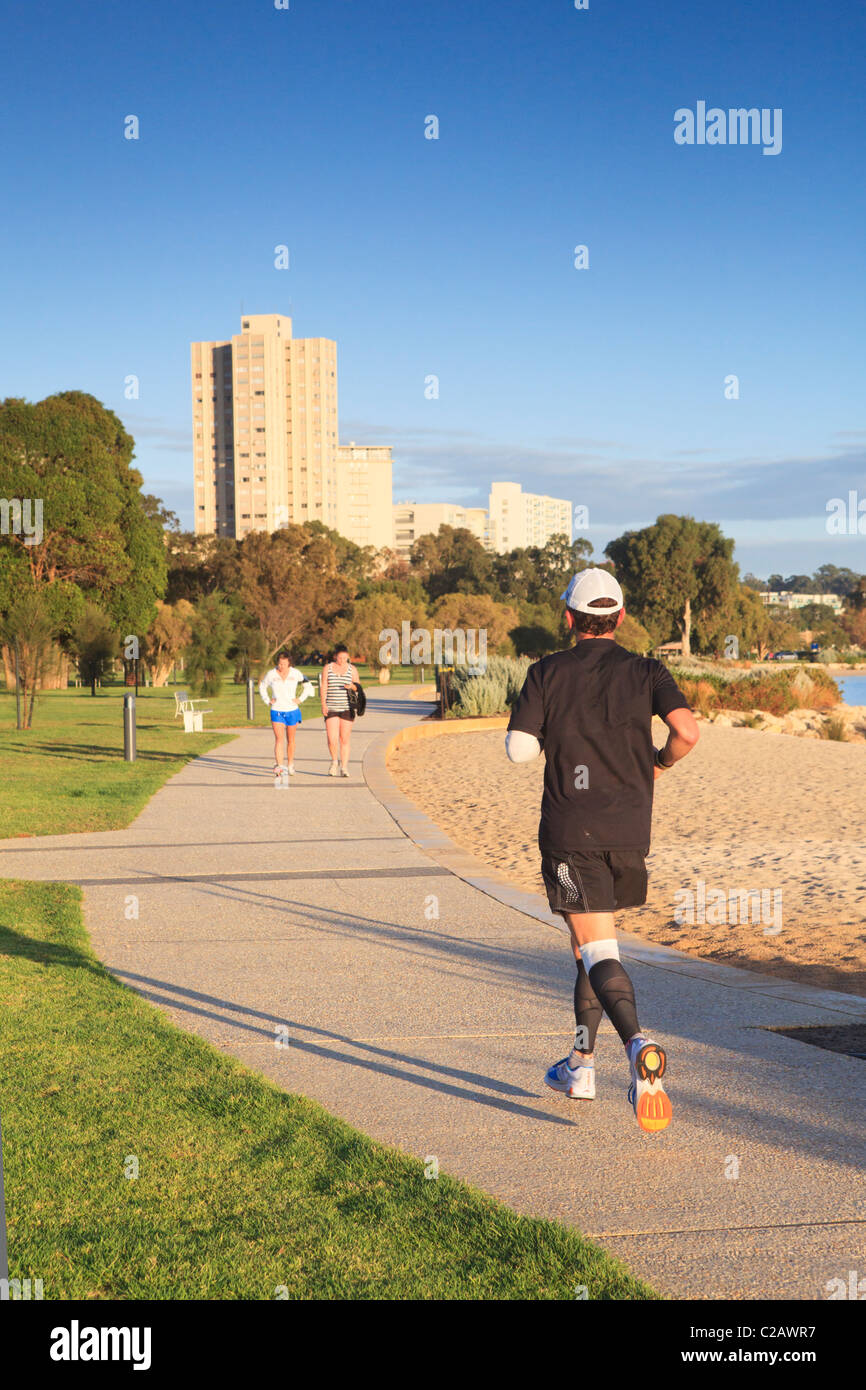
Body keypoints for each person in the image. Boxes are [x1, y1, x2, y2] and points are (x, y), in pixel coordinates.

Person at [505, 568, 699, 1133]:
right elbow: (687, 732)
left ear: (569, 617)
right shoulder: (648, 669)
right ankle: (581, 1067)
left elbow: (519, 752)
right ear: (618, 619)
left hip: (572, 830)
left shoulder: (547, 672)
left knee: (594, 947)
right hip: (630, 830)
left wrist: (543, 732)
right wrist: (659, 762)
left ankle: (638, 1048)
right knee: (590, 947)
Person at [259, 651, 314, 789]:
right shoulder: (271, 674)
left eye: (284, 663)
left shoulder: (296, 673)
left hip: (292, 710)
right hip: (277, 709)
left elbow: (307, 686)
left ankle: (290, 764)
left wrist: (300, 699)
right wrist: (267, 700)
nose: (281, 666)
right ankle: (279, 766)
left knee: (291, 739)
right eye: (279, 663)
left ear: (289, 663)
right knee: (279, 739)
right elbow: (262, 686)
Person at [319, 644, 361, 778]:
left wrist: (352, 686)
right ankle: (334, 762)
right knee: (332, 739)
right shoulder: (328, 668)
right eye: (340, 657)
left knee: (344, 739)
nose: (342, 660)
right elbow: (324, 685)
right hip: (331, 707)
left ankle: (344, 767)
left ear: (347, 657)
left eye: (344, 657)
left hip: (347, 708)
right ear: (335, 656)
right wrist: (323, 704)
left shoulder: (352, 669)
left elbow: (358, 687)